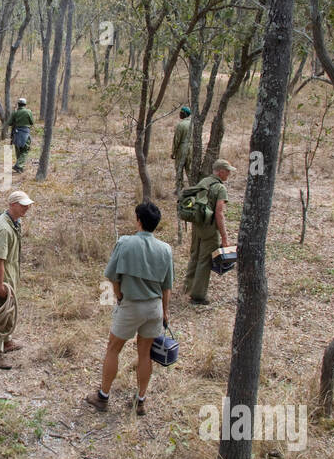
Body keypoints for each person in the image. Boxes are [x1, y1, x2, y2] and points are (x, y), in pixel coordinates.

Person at [86, 202, 174, 417]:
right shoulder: (165, 249)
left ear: (139, 220)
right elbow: (167, 287)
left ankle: (103, 397)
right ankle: (141, 400)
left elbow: (112, 275)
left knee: (113, 348)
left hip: (131, 305)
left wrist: (119, 296)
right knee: (145, 354)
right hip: (153, 308)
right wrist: (165, 312)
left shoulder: (125, 243)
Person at [0, 190, 33, 369]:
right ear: (12, 205)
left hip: (11, 273)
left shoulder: (14, 222)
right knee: (0, 311)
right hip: (3, 275)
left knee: (9, 310)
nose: (27, 208)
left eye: (27, 204)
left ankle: (6, 341)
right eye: (23, 205)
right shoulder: (4, 228)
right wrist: (0, 284)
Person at [184, 159, 233, 305]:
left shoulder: (203, 182)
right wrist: (224, 237)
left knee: (195, 256)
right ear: (220, 171)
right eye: (227, 171)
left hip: (197, 226)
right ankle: (198, 296)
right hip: (210, 229)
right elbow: (219, 213)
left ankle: (187, 288)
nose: (229, 174)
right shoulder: (220, 188)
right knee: (205, 260)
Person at [170, 106, 194, 189]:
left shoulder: (181, 125)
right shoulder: (193, 124)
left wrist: (173, 152)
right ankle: (193, 187)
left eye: (180, 113)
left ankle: (179, 188)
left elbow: (176, 140)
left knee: (179, 168)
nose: (179, 114)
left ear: (184, 114)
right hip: (191, 148)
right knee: (189, 169)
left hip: (182, 148)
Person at [10, 97, 35, 172]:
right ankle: (18, 165)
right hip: (25, 133)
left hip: (16, 133)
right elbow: (32, 122)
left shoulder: (15, 112)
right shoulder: (28, 111)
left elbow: (10, 123)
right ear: (25, 104)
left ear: (18, 104)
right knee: (25, 150)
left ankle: (19, 168)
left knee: (18, 150)